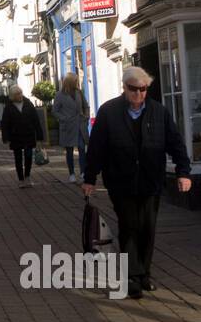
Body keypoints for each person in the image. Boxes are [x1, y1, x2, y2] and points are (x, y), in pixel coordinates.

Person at [82, 66, 191, 299]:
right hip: (120, 180)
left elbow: (175, 142)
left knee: (147, 226)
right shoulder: (109, 112)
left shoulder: (158, 112)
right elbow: (97, 148)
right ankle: (132, 276)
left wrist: (184, 171)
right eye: (134, 89)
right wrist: (89, 178)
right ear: (125, 88)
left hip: (151, 180)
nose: (139, 94)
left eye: (143, 90)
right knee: (129, 225)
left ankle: (145, 274)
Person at [0, 84, 44, 186]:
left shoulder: (28, 104)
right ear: (12, 96)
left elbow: (36, 120)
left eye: (20, 93)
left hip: (28, 133)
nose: (20, 96)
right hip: (15, 136)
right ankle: (20, 179)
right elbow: (5, 123)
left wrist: (39, 136)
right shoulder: (8, 107)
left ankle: (27, 176)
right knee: (18, 157)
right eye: (17, 94)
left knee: (28, 156)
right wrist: (6, 137)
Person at [53, 73, 90, 183]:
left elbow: (86, 105)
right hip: (68, 126)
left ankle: (83, 172)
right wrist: (64, 119)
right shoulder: (59, 95)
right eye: (75, 81)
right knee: (69, 151)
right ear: (69, 82)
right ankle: (72, 173)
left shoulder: (79, 92)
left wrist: (86, 116)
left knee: (82, 149)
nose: (77, 82)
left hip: (80, 125)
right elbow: (55, 111)